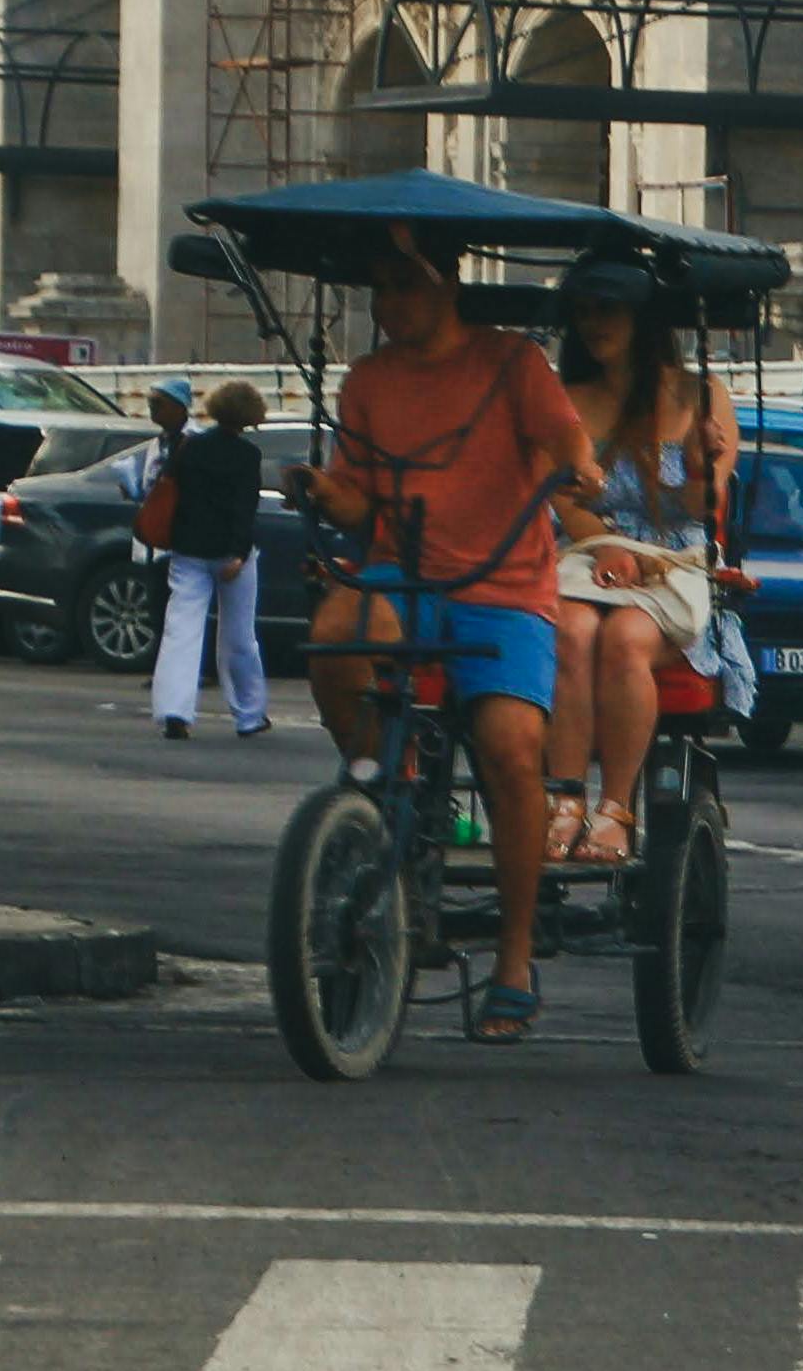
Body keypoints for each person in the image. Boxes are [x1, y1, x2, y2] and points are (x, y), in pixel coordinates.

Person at [295, 222, 606, 1043]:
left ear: (444, 287)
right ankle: (378, 775)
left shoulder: (511, 363)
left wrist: (581, 463)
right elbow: (362, 503)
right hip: (406, 576)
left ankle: (512, 958)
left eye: (400, 286)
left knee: (508, 749)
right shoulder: (367, 380)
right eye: (378, 291)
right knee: (335, 628)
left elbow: (564, 434)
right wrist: (327, 493)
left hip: (505, 586)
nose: (385, 305)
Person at [537, 254, 730, 870]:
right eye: (586, 311)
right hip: (590, 553)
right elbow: (565, 501)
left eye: (610, 309)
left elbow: (707, 505)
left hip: (674, 562)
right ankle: (564, 796)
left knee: (623, 639)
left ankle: (615, 808)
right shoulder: (566, 398)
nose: (595, 323)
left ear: (643, 318)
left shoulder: (701, 396)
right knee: (570, 628)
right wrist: (607, 544)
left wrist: (701, 463)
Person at [151, 381, 274, 741]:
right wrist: (237, 553)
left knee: (181, 630)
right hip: (231, 554)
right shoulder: (247, 456)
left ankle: (175, 711)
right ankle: (249, 714)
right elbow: (244, 510)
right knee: (238, 636)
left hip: (188, 551)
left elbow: (170, 489)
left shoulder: (190, 447)